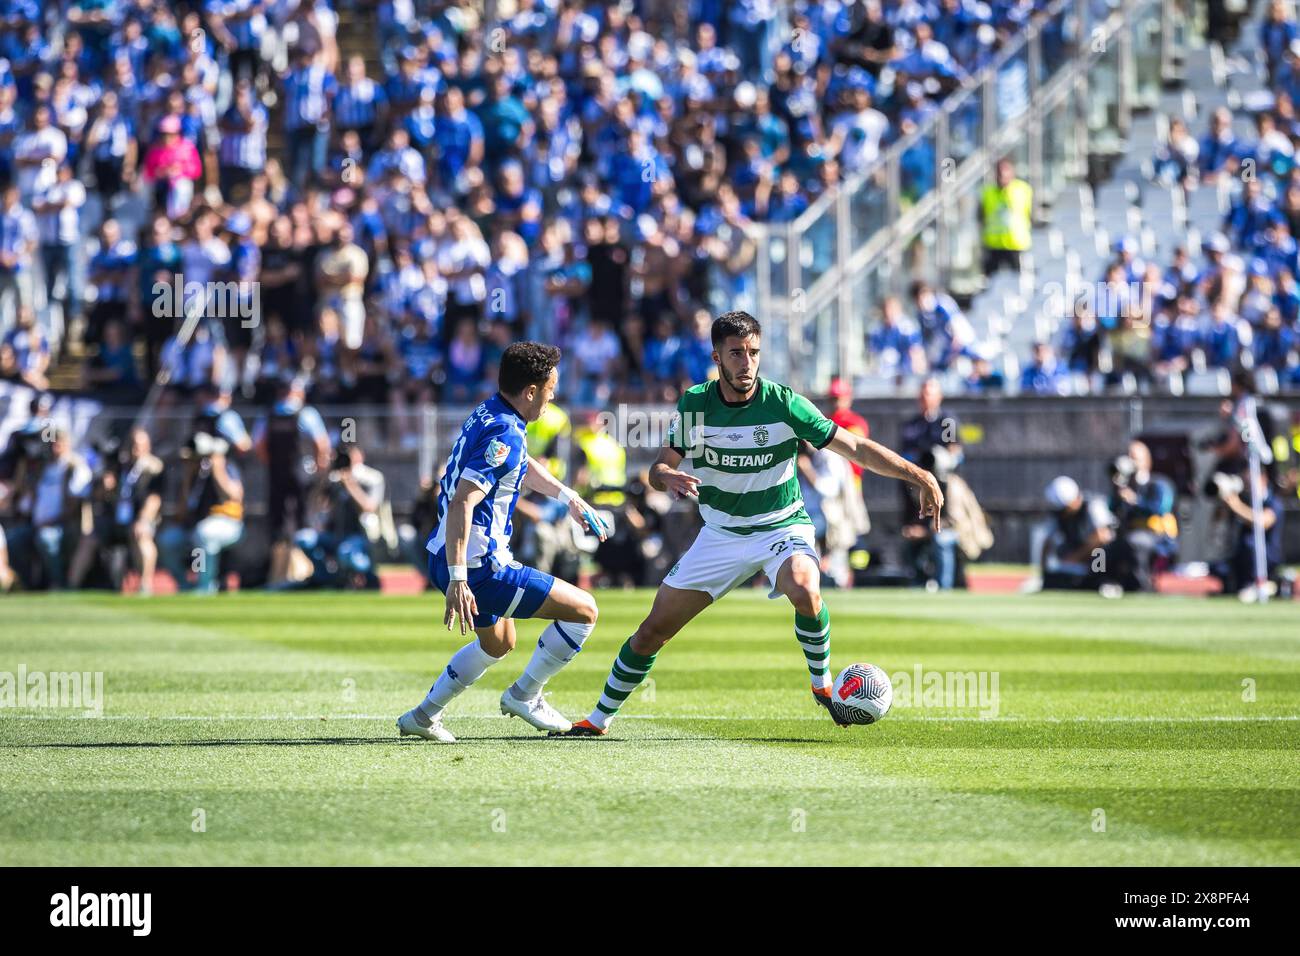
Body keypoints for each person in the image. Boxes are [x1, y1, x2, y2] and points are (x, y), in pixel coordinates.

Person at [558, 312, 944, 736]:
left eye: (754, 353)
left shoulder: (784, 403)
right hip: (720, 534)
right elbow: (660, 467)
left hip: (781, 526)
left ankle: (822, 685)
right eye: (737, 353)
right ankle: (598, 720)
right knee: (652, 632)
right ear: (717, 357)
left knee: (804, 587)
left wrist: (919, 475)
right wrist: (664, 475)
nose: (747, 362)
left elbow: (855, 447)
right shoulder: (695, 404)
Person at [396, 342, 612, 743]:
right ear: (531, 391)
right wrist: (461, 579)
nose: (553, 397)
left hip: (444, 553)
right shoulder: (506, 430)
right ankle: (525, 695)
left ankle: (422, 717)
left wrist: (569, 499)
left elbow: (517, 463)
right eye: (551, 388)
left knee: (500, 643)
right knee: (584, 611)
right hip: (480, 566)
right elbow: (464, 499)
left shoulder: (493, 413)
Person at [254, 377, 330, 584]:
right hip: (302, 476)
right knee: (304, 519)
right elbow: (321, 444)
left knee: (279, 522)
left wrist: (273, 464)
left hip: (276, 475)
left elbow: (259, 446)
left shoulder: (268, 414)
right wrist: (319, 467)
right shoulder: (306, 413)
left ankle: (280, 572)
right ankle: (304, 569)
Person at [159, 432, 245, 594]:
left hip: (228, 524)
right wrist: (188, 476)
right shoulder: (195, 472)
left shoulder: (227, 466)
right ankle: (184, 584)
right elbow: (182, 512)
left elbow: (234, 496)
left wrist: (217, 469)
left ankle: (204, 585)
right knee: (167, 540)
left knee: (203, 534)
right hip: (196, 525)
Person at [1039, 476, 1120, 593]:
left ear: (1075, 500)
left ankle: (1103, 581)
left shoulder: (1093, 506)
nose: (1063, 513)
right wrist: (1044, 573)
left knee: (1101, 552)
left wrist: (1074, 558)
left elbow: (1102, 536)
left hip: (1101, 558)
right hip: (1077, 559)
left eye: (1065, 508)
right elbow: (1047, 542)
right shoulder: (1058, 515)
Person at [978, 158, 1032, 276]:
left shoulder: (1023, 190)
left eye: (1005, 170)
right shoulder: (987, 192)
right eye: (999, 171)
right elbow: (981, 217)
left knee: (1018, 280)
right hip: (993, 245)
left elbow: (1030, 213)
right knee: (990, 282)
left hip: (1016, 245)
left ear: (1012, 172)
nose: (1002, 174)